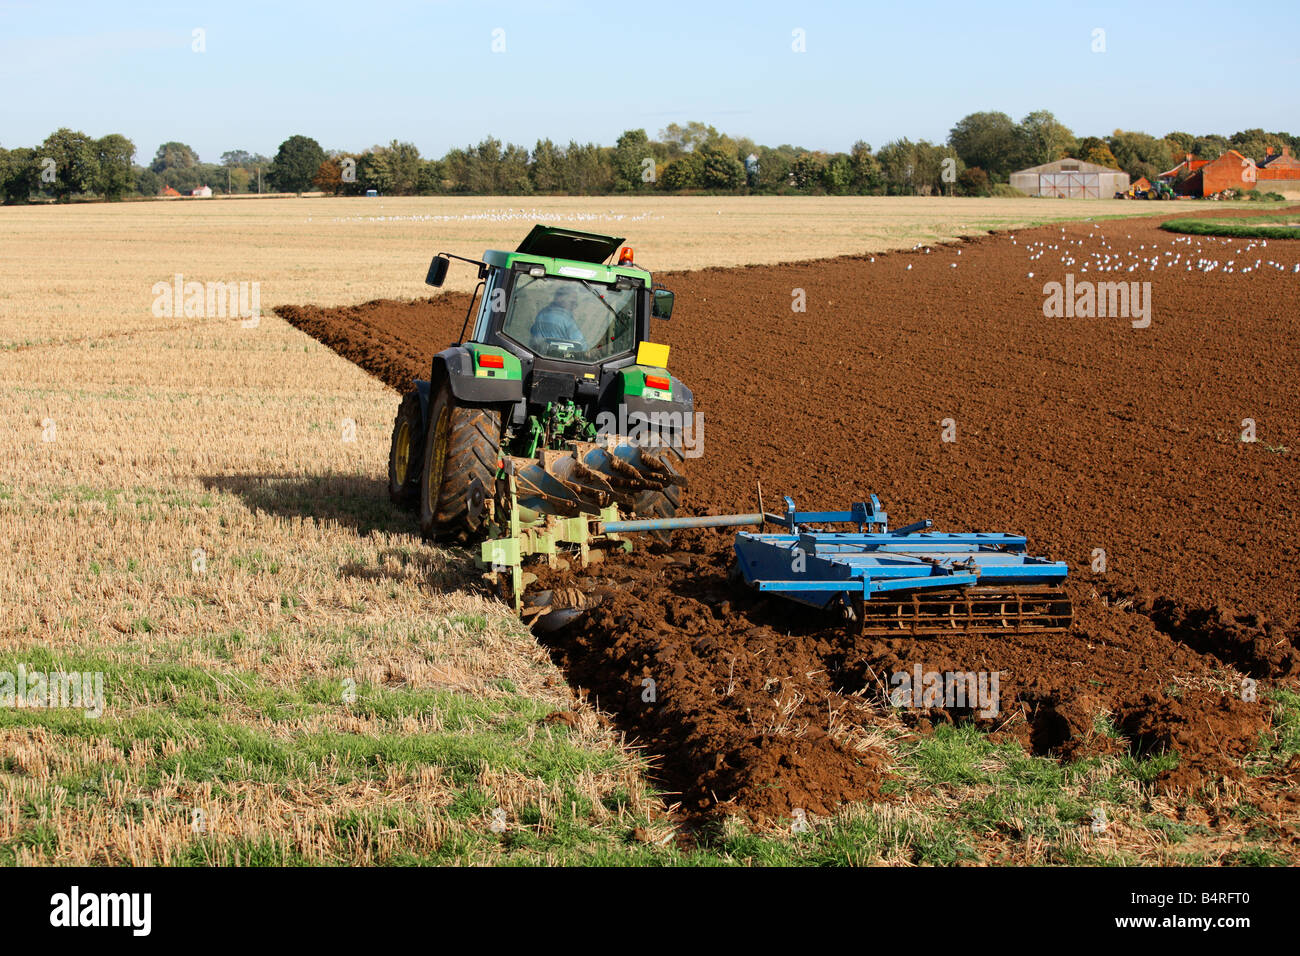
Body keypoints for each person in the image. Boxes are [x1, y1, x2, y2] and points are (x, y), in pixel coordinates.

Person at [530, 285, 588, 354]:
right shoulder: (566, 320)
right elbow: (581, 346)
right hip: (559, 357)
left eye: (575, 304)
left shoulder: (541, 314)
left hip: (539, 354)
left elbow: (533, 334)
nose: (574, 306)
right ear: (561, 300)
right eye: (572, 302)